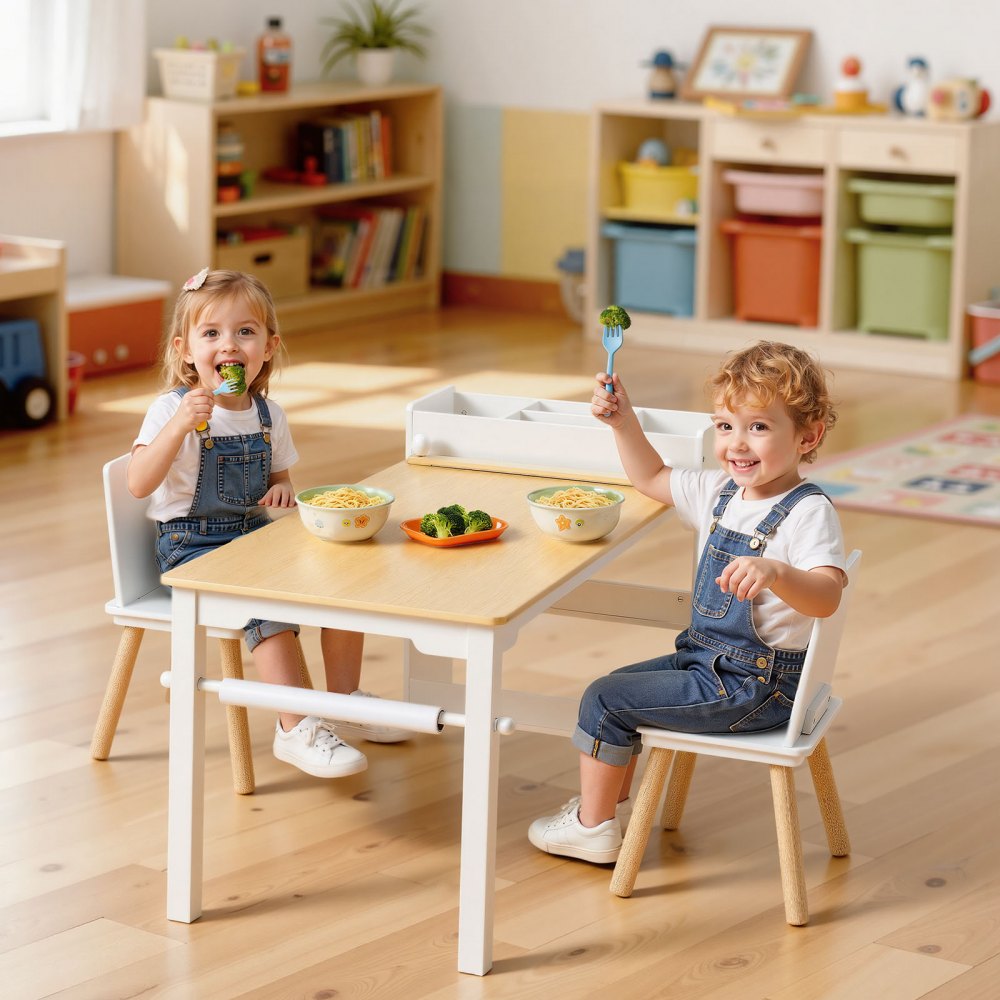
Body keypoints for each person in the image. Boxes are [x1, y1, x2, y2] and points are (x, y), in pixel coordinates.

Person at [528, 341, 847, 863]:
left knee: (604, 699)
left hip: (758, 687)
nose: (737, 445)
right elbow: (650, 478)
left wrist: (778, 572)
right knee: (620, 687)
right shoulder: (721, 493)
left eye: (759, 427)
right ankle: (603, 805)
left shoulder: (807, 513)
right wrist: (623, 422)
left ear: (807, 436)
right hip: (709, 664)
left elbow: (827, 595)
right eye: (725, 426)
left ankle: (593, 827)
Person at [128, 267, 406, 779]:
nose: (228, 344)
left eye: (245, 332)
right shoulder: (170, 409)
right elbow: (139, 483)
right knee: (265, 604)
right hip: (190, 547)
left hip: (253, 535)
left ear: (268, 346)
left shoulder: (267, 414)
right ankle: (295, 726)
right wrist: (178, 427)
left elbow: (278, 483)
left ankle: (345, 702)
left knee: (341, 580)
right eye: (211, 333)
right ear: (186, 350)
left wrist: (282, 494)